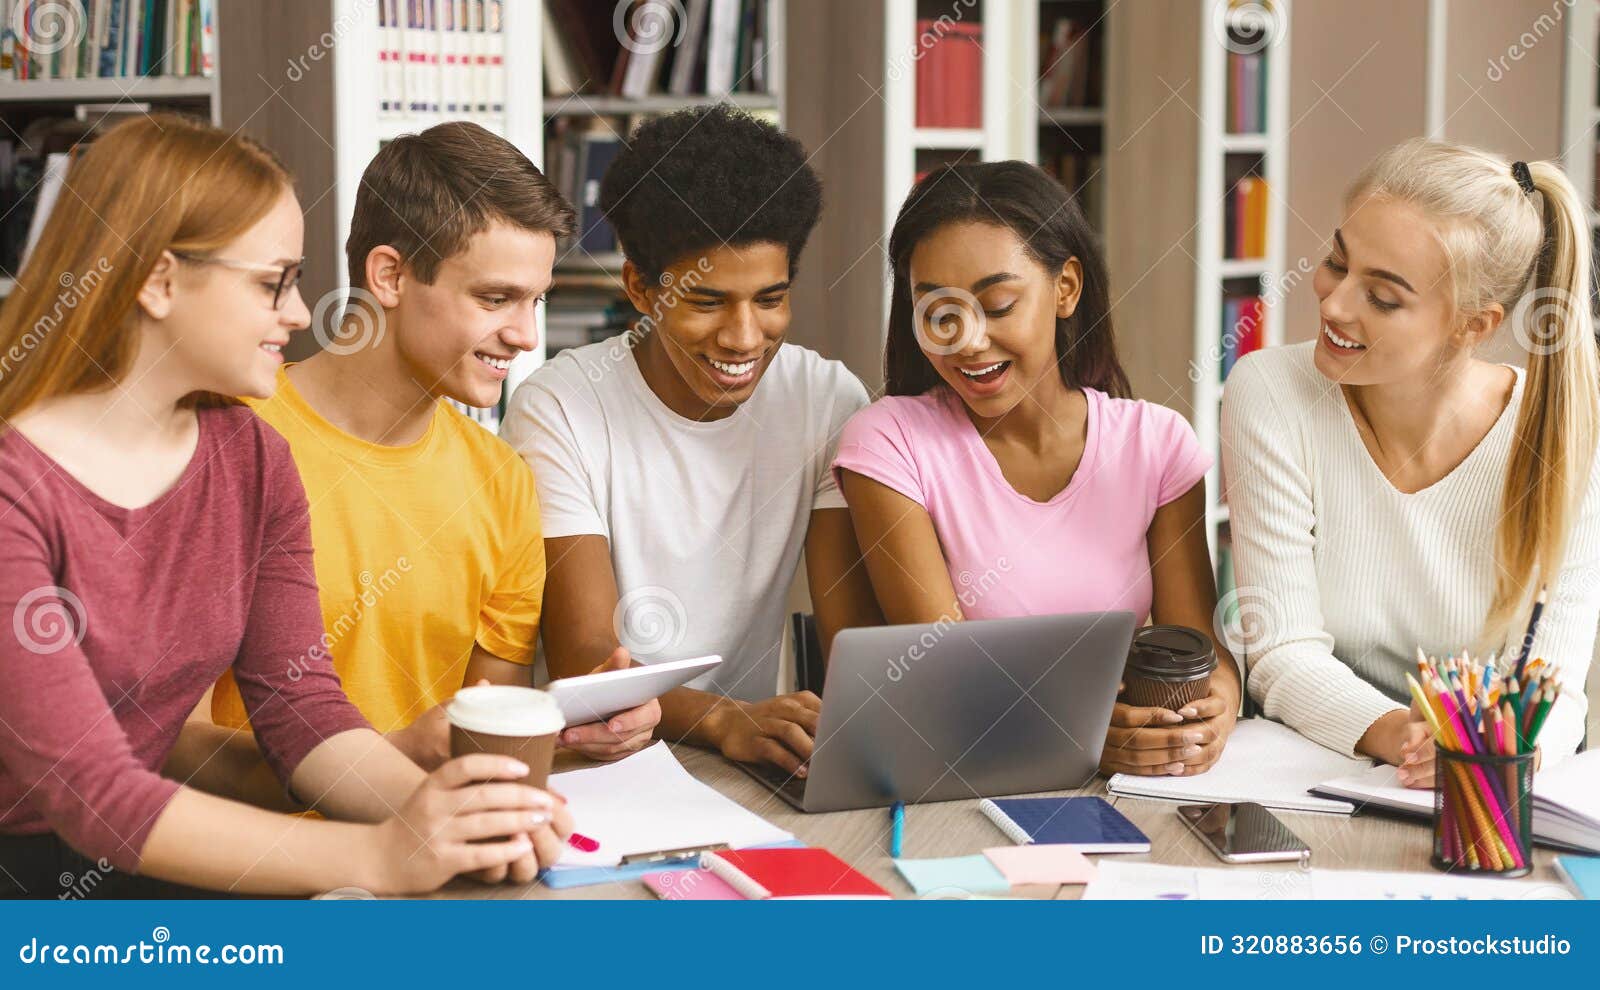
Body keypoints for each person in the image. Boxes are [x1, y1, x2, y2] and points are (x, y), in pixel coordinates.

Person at [0, 116, 569, 899]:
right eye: (272, 283)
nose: (302, 315)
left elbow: (297, 703)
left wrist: (453, 819)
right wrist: (382, 857)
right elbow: (92, 791)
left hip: (151, 866)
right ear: (160, 281)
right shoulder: (14, 488)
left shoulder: (250, 456)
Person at [192, 122, 659, 788]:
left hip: (428, 865)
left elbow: (473, 744)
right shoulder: (226, 447)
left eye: (537, 302)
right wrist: (377, 765)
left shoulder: (502, 484)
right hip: (255, 874)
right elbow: (171, 756)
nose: (526, 336)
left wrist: (592, 732)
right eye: (495, 299)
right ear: (389, 276)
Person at [500, 105, 881, 778]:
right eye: (707, 302)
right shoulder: (559, 406)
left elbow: (854, 641)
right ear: (641, 288)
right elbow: (589, 660)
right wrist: (723, 718)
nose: (742, 337)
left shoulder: (827, 400)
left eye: (770, 300)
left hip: (755, 760)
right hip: (604, 761)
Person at [833, 162, 1241, 777]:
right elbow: (940, 674)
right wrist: (1080, 737)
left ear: (1066, 288)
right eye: (939, 313)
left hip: (1124, 790)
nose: (966, 341)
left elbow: (1194, 653)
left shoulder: (1156, 445)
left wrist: (1218, 706)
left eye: (998, 305)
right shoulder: (889, 443)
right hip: (963, 780)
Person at [1221, 139, 1600, 787]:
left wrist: (1513, 752)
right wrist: (1405, 737)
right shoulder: (1270, 393)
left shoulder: (1562, 435)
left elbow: (1554, 683)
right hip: (1315, 773)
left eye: (1384, 297)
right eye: (1337, 263)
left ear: (1473, 327)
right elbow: (1280, 649)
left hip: (1484, 782)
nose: (1335, 304)